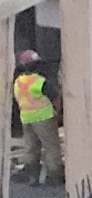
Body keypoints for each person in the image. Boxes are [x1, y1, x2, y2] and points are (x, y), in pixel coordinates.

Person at [13, 49, 60, 186]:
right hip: (43, 118)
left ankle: (32, 176)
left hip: (26, 119)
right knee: (51, 148)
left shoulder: (18, 82)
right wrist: (57, 111)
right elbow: (55, 95)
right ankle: (55, 177)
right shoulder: (40, 82)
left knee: (31, 148)